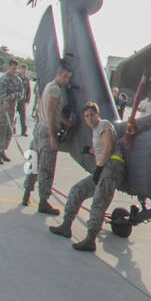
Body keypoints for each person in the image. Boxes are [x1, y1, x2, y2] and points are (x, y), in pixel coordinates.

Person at [49, 101, 125, 252]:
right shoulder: (96, 130)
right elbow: (101, 147)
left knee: (99, 202)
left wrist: (98, 168)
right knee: (77, 190)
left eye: (92, 114)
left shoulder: (103, 125)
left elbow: (109, 146)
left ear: (98, 115)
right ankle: (66, 226)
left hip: (111, 167)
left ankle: (90, 240)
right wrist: (89, 150)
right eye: (86, 116)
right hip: (104, 168)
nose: (89, 118)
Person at [21, 62, 72, 214]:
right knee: (46, 168)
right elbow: (50, 114)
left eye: (68, 78)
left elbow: (50, 111)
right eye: (65, 77)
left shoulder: (49, 86)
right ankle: (43, 201)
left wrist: (65, 121)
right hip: (46, 130)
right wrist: (52, 137)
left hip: (39, 128)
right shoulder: (55, 90)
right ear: (59, 74)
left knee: (33, 163)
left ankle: (26, 194)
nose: (66, 80)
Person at [0, 59, 19, 163]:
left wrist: (15, 95)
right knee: (0, 131)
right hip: (3, 110)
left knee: (8, 132)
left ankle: (3, 151)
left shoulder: (18, 80)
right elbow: (2, 94)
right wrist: (6, 100)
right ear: (9, 67)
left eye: (16, 68)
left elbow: (21, 94)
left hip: (12, 111)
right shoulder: (4, 79)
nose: (15, 70)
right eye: (13, 68)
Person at [16, 64, 31, 135]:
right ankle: (12, 128)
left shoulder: (26, 79)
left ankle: (24, 131)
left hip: (22, 101)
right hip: (16, 100)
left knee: (23, 116)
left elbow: (29, 90)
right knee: (13, 115)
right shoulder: (16, 77)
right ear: (20, 69)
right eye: (22, 69)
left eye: (25, 70)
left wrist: (28, 99)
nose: (23, 71)